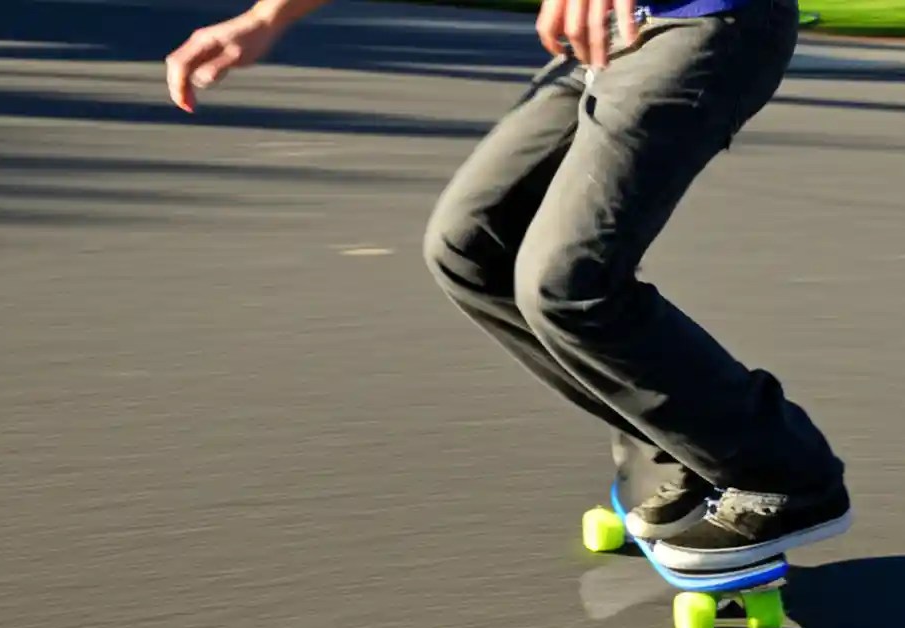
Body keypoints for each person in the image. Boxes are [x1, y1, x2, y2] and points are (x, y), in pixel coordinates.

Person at [165, 0, 852, 573]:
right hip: (609, 36)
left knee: (568, 280)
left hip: (714, 19)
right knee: (470, 246)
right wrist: (263, 17)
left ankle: (785, 473)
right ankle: (668, 441)